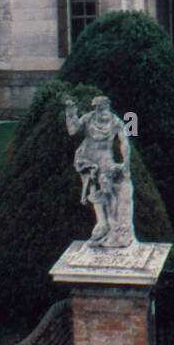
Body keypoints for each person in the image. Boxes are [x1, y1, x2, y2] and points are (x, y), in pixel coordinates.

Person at [63, 95, 135, 246]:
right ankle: (101, 223)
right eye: (96, 108)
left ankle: (114, 226)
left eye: (102, 107)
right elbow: (72, 130)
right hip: (87, 158)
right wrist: (71, 112)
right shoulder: (89, 118)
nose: (100, 111)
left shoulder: (115, 121)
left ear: (108, 106)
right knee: (93, 189)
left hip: (105, 159)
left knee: (107, 191)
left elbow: (124, 142)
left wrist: (126, 162)